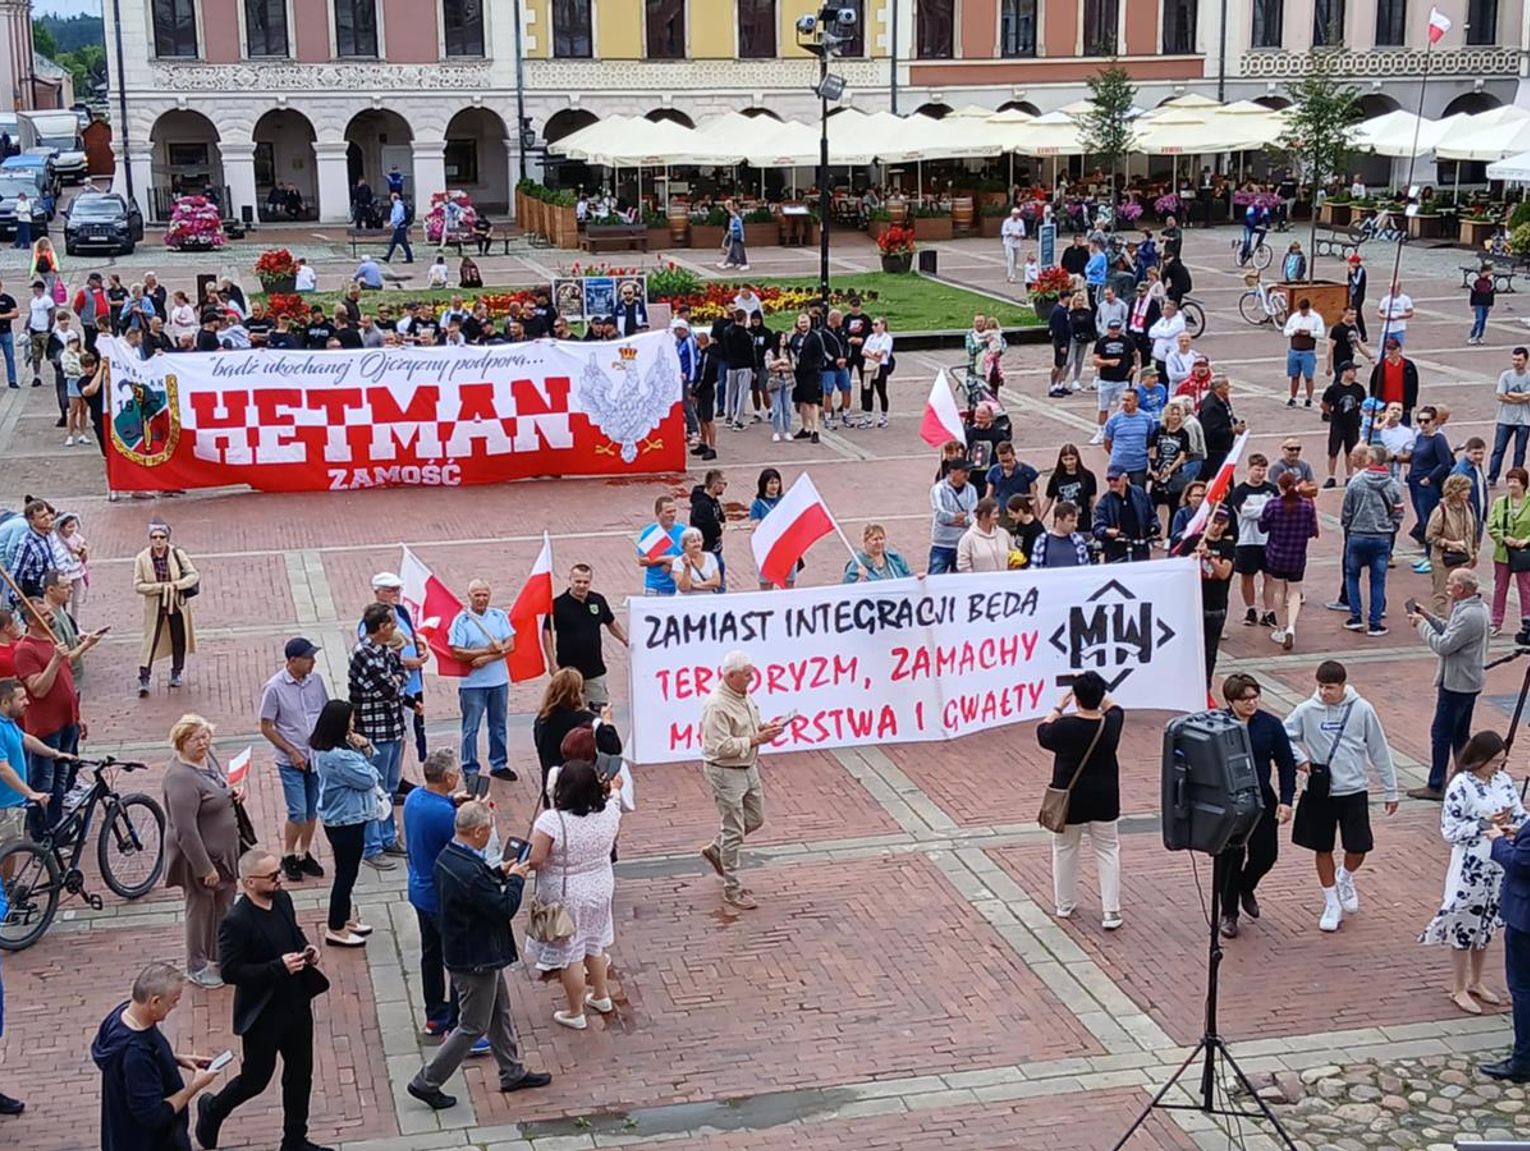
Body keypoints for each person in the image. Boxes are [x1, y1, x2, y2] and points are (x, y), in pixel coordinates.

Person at [406, 801, 551, 1110]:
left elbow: (477, 886)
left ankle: (511, 1070)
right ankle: (427, 1081)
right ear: (479, 831)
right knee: (472, 1026)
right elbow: (502, 909)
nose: (490, 836)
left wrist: (499, 872)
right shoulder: (469, 872)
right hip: (476, 959)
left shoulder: (451, 856)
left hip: (475, 952)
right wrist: (515, 880)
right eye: (489, 830)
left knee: (500, 1012)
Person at [194, 849, 332, 1151]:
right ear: (250, 883)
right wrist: (277, 968)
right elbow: (230, 972)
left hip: (296, 1004)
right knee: (255, 1079)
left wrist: (308, 949)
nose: (278, 879)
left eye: (278, 872)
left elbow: (293, 932)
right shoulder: (237, 921)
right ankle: (213, 1109)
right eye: (271, 876)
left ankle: (295, 1140)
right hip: (264, 1015)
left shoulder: (282, 900)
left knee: (300, 1074)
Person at [1285, 660, 1398, 932]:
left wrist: (1390, 788)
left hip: (1353, 789)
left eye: (1331, 688)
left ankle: (1345, 877)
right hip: (1319, 791)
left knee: (1358, 847)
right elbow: (1283, 737)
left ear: (1343, 686)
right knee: (1322, 847)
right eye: (1321, 686)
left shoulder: (1362, 710)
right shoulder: (1306, 710)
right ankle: (1331, 901)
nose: (1325, 692)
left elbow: (1378, 749)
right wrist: (1300, 759)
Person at [1419, 731, 1526, 1014]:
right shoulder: (1461, 785)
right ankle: (1458, 986)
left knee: (1488, 923)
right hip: (1471, 866)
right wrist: (1483, 824)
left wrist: (1517, 828)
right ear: (1479, 759)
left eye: (1502, 762)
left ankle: (1477, 981)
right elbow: (1450, 830)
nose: (1498, 767)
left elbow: (1519, 814)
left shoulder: (1503, 782)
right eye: (1494, 761)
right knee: (1464, 921)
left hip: (1498, 866)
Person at [526, 759, 624, 1029]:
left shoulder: (552, 821)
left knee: (571, 954)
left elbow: (535, 859)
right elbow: (615, 798)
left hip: (567, 896)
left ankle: (575, 1011)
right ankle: (602, 995)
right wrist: (615, 788)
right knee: (595, 943)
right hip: (601, 886)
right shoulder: (609, 813)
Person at [93, 963, 220, 1151]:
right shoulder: (135, 1055)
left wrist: (174, 1059)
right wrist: (195, 1086)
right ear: (154, 1002)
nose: (175, 1006)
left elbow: (143, 1059)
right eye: (173, 1001)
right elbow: (154, 1114)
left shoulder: (120, 1016)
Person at [1037, 673, 1124, 930]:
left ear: (1076, 699)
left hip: (1070, 799)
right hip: (1105, 797)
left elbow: (1042, 731)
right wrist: (1093, 686)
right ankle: (1111, 910)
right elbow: (1113, 705)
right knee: (1108, 850)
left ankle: (1064, 904)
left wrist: (1058, 706)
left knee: (1064, 849)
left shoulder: (1064, 728)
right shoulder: (1112, 724)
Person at [1215, 673, 1298, 939]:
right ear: (1231, 701)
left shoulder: (1270, 725)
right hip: (1229, 801)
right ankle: (1228, 913)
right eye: (1245, 699)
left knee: (1266, 854)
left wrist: (1286, 800)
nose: (1252, 703)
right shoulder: (1218, 724)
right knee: (1229, 857)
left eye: (1255, 697)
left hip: (1261, 799)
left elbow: (1286, 763)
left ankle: (1245, 885)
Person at [699, 650, 782, 911]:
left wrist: (763, 728)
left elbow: (747, 725)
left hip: (748, 766)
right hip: (725, 771)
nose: (752, 678)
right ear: (731, 676)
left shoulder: (743, 696)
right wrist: (756, 740)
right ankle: (732, 889)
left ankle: (717, 849)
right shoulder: (717, 705)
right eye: (747, 675)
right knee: (733, 829)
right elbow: (720, 746)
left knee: (755, 818)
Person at [162, 714, 240, 989]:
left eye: (206, 736)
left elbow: (218, 785)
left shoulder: (207, 758)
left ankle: (222, 955)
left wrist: (231, 793)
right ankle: (196, 965)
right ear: (182, 742)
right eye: (197, 739)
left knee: (225, 905)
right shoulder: (180, 779)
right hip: (203, 859)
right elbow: (185, 831)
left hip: (225, 855)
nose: (204, 743)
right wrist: (204, 868)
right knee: (200, 908)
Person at [310, 699, 382, 947]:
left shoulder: (335, 747)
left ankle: (345, 917)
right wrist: (364, 753)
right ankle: (336, 927)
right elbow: (368, 778)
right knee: (346, 873)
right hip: (345, 821)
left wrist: (363, 746)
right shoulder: (337, 756)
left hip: (346, 817)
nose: (354, 723)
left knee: (348, 872)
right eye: (350, 719)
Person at [259, 638, 329, 884]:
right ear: (292, 661)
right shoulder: (274, 688)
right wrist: (291, 751)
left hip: (315, 756)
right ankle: (288, 854)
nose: (313, 662)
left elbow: (324, 713)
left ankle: (304, 852)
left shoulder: (316, 681)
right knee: (297, 810)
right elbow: (266, 726)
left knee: (312, 810)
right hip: (291, 760)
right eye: (308, 658)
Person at [349, 602, 408, 869]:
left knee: (390, 788)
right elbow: (389, 689)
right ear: (382, 627)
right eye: (392, 624)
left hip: (393, 727)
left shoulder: (384, 650)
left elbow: (401, 673)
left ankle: (387, 838)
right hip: (374, 731)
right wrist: (397, 678)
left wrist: (397, 677)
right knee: (375, 789)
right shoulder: (364, 653)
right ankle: (371, 846)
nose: (395, 628)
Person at [1341, 445, 1404, 637]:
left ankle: (1355, 617)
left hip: (1358, 534)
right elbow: (1399, 511)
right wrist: (1391, 526)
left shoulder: (1356, 481)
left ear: (1369, 460)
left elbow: (1346, 510)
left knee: (1352, 576)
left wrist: (1349, 526)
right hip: (1382, 537)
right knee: (1378, 580)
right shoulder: (1392, 483)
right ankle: (1375, 622)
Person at [542, 563, 626, 705]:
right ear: (570, 580)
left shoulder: (598, 601)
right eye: (578, 581)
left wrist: (625, 638)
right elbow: (546, 633)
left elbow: (611, 622)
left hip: (595, 670)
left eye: (585, 582)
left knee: (599, 712)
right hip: (568, 673)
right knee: (569, 711)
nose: (581, 585)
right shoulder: (557, 605)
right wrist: (552, 663)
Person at [133, 521, 198, 696]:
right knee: (150, 641)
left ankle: (176, 672)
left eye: (162, 537)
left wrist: (177, 585)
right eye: (154, 537)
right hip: (155, 608)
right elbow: (138, 585)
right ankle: (144, 677)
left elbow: (193, 575)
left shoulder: (177, 553)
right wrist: (160, 588)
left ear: (167, 538)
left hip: (176, 605)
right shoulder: (142, 558)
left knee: (179, 638)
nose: (158, 541)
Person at [1259, 471, 1319, 651]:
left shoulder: (1273, 505)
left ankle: (1280, 628)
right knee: (1295, 592)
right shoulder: (1307, 506)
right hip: (1297, 555)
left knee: (1279, 591)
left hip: (1276, 554)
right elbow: (1312, 531)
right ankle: (1292, 626)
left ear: (1280, 487)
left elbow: (1262, 527)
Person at [1228, 454, 1278, 628]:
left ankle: (1269, 611)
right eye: (1257, 469)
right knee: (1247, 577)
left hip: (1269, 540)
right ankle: (1250, 609)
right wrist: (1267, 509)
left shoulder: (1272, 489)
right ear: (1249, 469)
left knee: (1269, 576)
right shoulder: (1239, 491)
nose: (1260, 473)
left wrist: (1263, 510)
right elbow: (1245, 512)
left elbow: (1276, 510)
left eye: (1263, 470)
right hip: (1246, 539)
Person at [1425, 474, 1480, 616]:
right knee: (1441, 594)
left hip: (1464, 558)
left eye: (1468, 489)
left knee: (1462, 594)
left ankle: (1458, 623)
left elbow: (1473, 531)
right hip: (1443, 559)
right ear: (1454, 490)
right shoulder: (1441, 510)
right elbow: (1430, 536)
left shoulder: (1469, 507)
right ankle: (1441, 624)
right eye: (1464, 489)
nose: (1468, 492)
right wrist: (1449, 543)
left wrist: (1473, 551)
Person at [1407, 405, 1455, 570]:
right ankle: (1428, 554)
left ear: (1434, 421)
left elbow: (1445, 463)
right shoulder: (1420, 437)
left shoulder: (1438, 439)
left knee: (1430, 521)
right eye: (1419, 420)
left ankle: (1433, 556)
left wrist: (1429, 478)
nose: (1422, 424)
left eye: (1426, 421)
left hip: (1427, 486)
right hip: (1414, 482)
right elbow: (1414, 458)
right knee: (1422, 518)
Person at [1490, 467, 1530, 640]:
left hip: (1524, 552)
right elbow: (1492, 525)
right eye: (1509, 481)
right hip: (1503, 552)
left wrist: (1526, 540)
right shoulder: (1500, 503)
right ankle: (1496, 622)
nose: (1512, 485)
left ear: (1523, 484)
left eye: (1515, 481)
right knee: (1500, 587)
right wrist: (1504, 538)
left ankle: (1527, 621)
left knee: (1526, 588)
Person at [1092, 467, 1157, 562]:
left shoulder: (1140, 494)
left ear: (1125, 479)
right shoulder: (1105, 502)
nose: (1112, 483)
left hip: (1140, 548)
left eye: (1115, 479)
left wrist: (1154, 526)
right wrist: (1107, 531)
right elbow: (1097, 527)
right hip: (1116, 551)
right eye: (1109, 480)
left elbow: (1152, 516)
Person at [1321, 364, 1367, 487]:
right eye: (1352, 370)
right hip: (1338, 424)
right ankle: (1331, 476)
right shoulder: (1334, 389)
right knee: (1333, 451)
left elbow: (1364, 404)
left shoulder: (1358, 388)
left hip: (1353, 425)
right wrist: (1330, 413)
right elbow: (1325, 403)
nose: (1354, 373)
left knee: (1350, 451)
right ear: (1344, 372)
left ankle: (1349, 475)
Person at [929, 459, 978, 575]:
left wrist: (958, 519)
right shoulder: (938, 489)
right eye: (964, 471)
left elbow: (974, 516)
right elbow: (941, 516)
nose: (967, 474)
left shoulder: (971, 490)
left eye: (969, 471)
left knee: (961, 582)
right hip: (942, 544)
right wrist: (962, 516)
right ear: (952, 472)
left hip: (963, 543)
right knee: (935, 578)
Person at [1104, 386, 1157, 490]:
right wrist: (1116, 454)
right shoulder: (1114, 420)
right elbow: (1107, 442)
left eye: (1128, 400)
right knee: (1115, 493)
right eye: (1123, 399)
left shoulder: (1147, 419)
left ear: (1136, 402)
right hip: (1118, 465)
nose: (1124, 403)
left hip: (1139, 465)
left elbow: (1150, 439)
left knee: (1139, 494)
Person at [1491, 348, 1530, 486]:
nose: (1516, 362)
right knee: (1498, 449)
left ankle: (1517, 477)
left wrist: (1512, 394)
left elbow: (1528, 397)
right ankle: (1492, 477)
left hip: (1524, 420)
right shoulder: (1505, 375)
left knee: (1520, 451)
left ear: (1526, 360)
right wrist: (1521, 397)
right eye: (1514, 359)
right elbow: (1500, 395)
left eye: (1519, 360)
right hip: (1505, 419)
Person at [957, 497, 1014, 573]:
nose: (998, 516)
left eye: (998, 513)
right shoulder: (967, 539)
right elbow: (963, 566)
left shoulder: (1004, 534)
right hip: (980, 584)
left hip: (1004, 583)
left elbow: (1013, 555)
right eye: (994, 513)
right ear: (984, 515)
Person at [843, 522, 913, 582]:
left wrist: (919, 579)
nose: (879, 542)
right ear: (865, 542)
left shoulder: (895, 558)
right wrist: (860, 579)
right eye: (875, 539)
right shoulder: (858, 564)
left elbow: (909, 577)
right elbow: (846, 589)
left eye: (881, 538)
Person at [858, 316, 893, 429]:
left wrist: (872, 354)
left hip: (881, 366)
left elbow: (881, 352)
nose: (874, 327)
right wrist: (873, 356)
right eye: (873, 325)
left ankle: (884, 416)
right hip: (869, 366)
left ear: (883, 325)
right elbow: (863, 351)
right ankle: (868, 417)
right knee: (868, 390)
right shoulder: (871, 337)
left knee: (881, 391)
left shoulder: (887, 338)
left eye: (876, 324)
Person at [1377, 280, 1415, 347]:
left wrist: (1399, 316)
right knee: (1383, 348)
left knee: (1398, 349)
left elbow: (1410, 313)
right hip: (1387, 329)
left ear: (1399, 289)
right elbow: (1379, 313)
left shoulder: (1405, 299)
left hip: (1399, 329)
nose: (1391, 290)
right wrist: (1386, 317)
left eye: (1393, 288)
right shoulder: (1385, 299)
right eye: (1390, 288)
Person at [383, 192, 414, 264]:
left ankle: (409, 258)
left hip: (400, 226)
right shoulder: (398, 205)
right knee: (395, 243)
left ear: (394, 198)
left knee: (402, 243)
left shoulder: (398, 206)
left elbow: (397, 216)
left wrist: (390, 223)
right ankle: (388, 257)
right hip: (399, 226)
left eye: (391, 197)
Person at [1469, 265, 1496, 345]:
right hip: (1478, 303)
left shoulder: (1490, 282)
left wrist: (1491, 304)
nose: (1491, 273)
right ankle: (1473, 335)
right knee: (1479, 319)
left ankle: (1479, 336)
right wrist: (1472, 304)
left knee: (1483, 321)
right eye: (1489, 271)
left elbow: (1491, 294)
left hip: (1486, 303)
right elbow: (1473, 293)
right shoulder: (1476, 282)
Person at [1001, 206, 1026, 282]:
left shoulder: (1021, 221)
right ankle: (1012, 276)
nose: (1016, 216)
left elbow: (1023, 232)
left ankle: (1010, 274)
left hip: (1017, 243)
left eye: (1017, 214)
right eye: (1015, 214)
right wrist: (1011, 234)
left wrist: (1020, 235)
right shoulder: (1007, 221)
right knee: (1010, 259)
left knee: (1015, 260)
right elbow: (1003, 232)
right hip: (1008, 243)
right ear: (1012, 214)